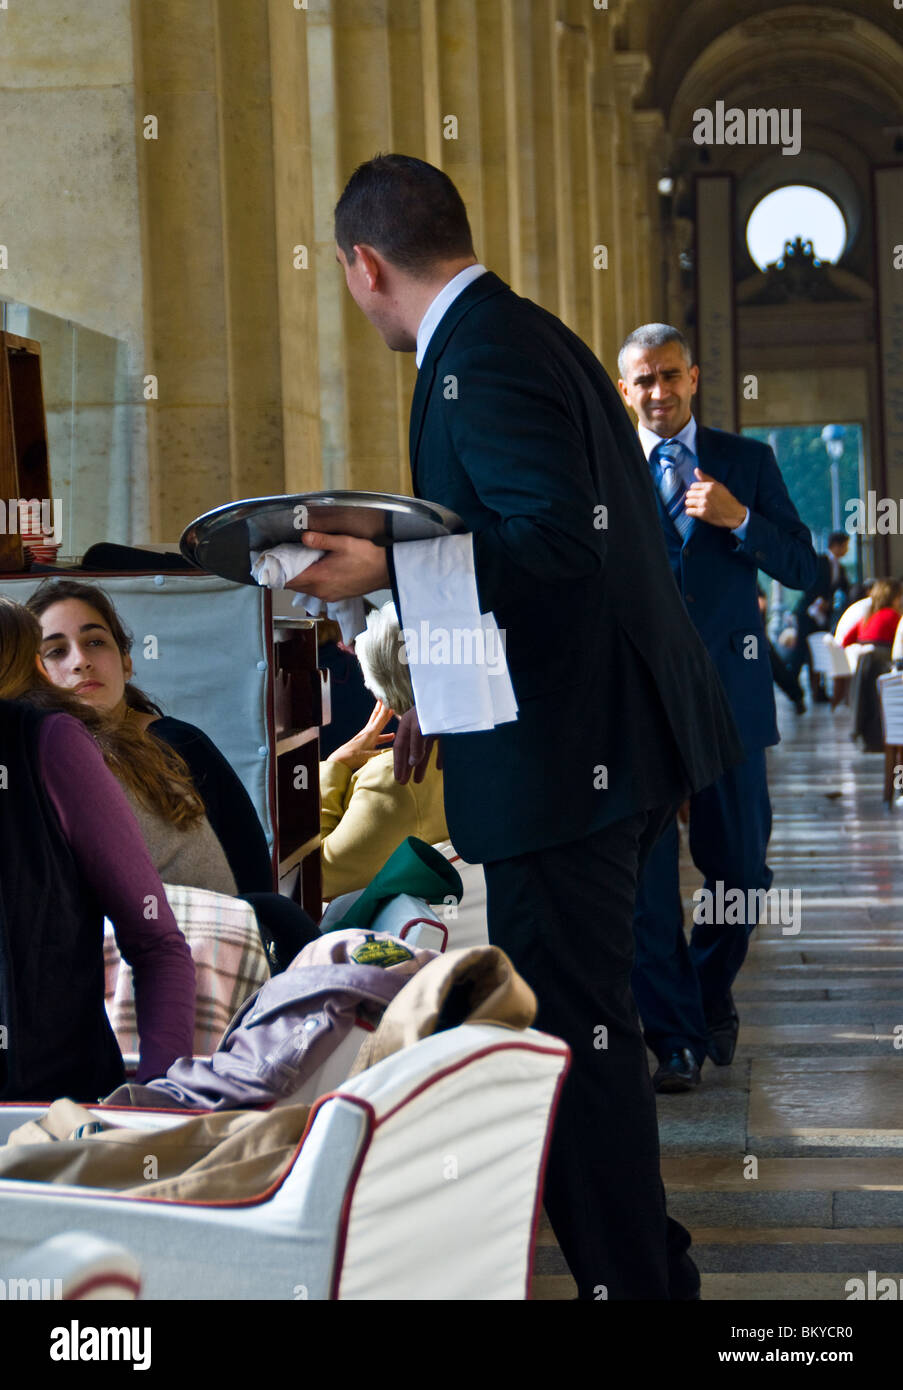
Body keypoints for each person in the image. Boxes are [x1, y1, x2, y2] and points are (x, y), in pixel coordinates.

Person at [280, 154, 744, 1300]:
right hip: (583, 744)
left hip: (572, 766)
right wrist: (437, 682)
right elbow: (536, 559)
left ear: (365, 263)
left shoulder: (480, 360)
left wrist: (383, 562)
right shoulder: (510, 335)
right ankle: (644, 1272)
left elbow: (555, 547)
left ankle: (633, 1286)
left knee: (578, 1044)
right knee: (585, 1030)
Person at [618, 324, 818, 1093]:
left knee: (738, 871)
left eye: (670, 376)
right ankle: (672, 1039)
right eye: (643, 380)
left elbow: (805, 568)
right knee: (644, 884)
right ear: (623, 386)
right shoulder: (605, 471)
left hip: (729, 705)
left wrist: (738, 519)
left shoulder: (747, 463)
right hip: (636, 707)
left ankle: (704, 998)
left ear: (693, 377)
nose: (658, 392)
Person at [27, 579, 318, 969]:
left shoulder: (178, 745)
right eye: (57, 651)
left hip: (211, 960)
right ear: (36, 676)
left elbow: (249, 884)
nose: (80, 660)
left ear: (127, 662)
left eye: (95, 642)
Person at [0, 597, 196, 1101]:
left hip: (51, 1119)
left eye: (94, 642)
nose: (79, 662)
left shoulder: (49, 744)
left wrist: (156, 1103)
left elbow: (157, 944)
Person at [320, 604, 447, 899]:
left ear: (376, 683)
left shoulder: (396, 774)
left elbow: (321, 878)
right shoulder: (488, 748)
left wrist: (334, 766)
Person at [789, 531, 851, 701]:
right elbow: (809, 583)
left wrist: (830, 603)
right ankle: (792, 687)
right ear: (836, 545)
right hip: (808, 613)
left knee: (818, 652)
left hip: (822, 615)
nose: (847, 549)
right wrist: (818, 601)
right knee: (802, 650)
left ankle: (818, 691)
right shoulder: (820, 561)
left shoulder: (840, 568)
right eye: (845, 545)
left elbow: (844, 589)